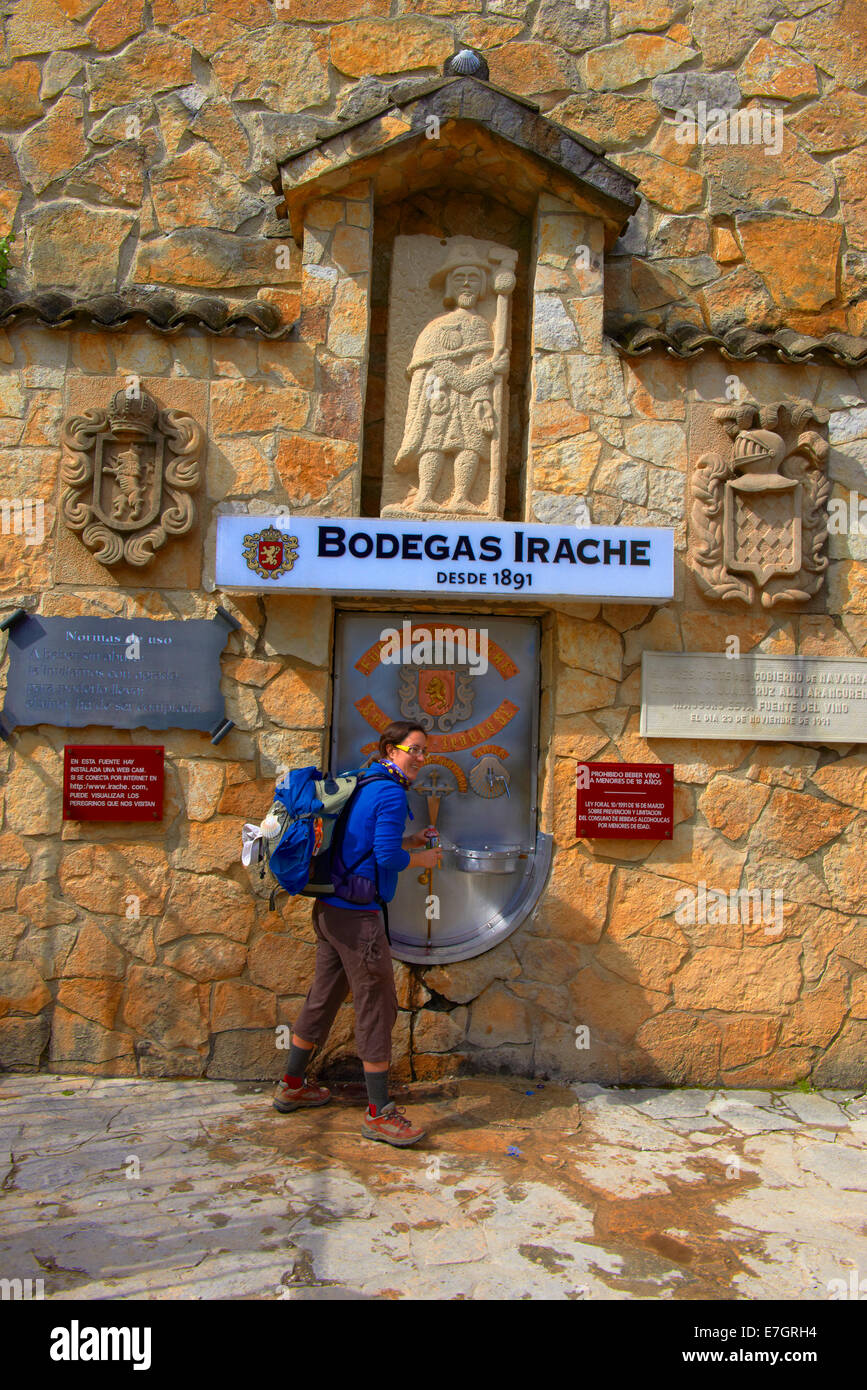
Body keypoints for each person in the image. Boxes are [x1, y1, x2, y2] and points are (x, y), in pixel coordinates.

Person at [272, 720, 441, 1147]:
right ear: (391, 748)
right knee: (376, 1005)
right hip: (359, 919)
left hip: (330, 909)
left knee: (323, 996)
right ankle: (379, 1113)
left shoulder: (365, 778)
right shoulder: (389, 790)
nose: (420, 758)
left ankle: (292, 1083)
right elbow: (386, 856)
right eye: (414, 750)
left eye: (425, 752)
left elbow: (362, 843)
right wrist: (423, 858)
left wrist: (412, 837)